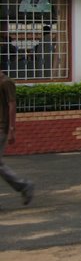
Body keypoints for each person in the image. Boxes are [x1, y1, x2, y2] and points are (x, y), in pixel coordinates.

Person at [0, 60, 34, 208]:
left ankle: (23, 186)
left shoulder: (6, 83)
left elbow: (12, 105)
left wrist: (12, 129)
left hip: (1, 128)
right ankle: (23, 186)